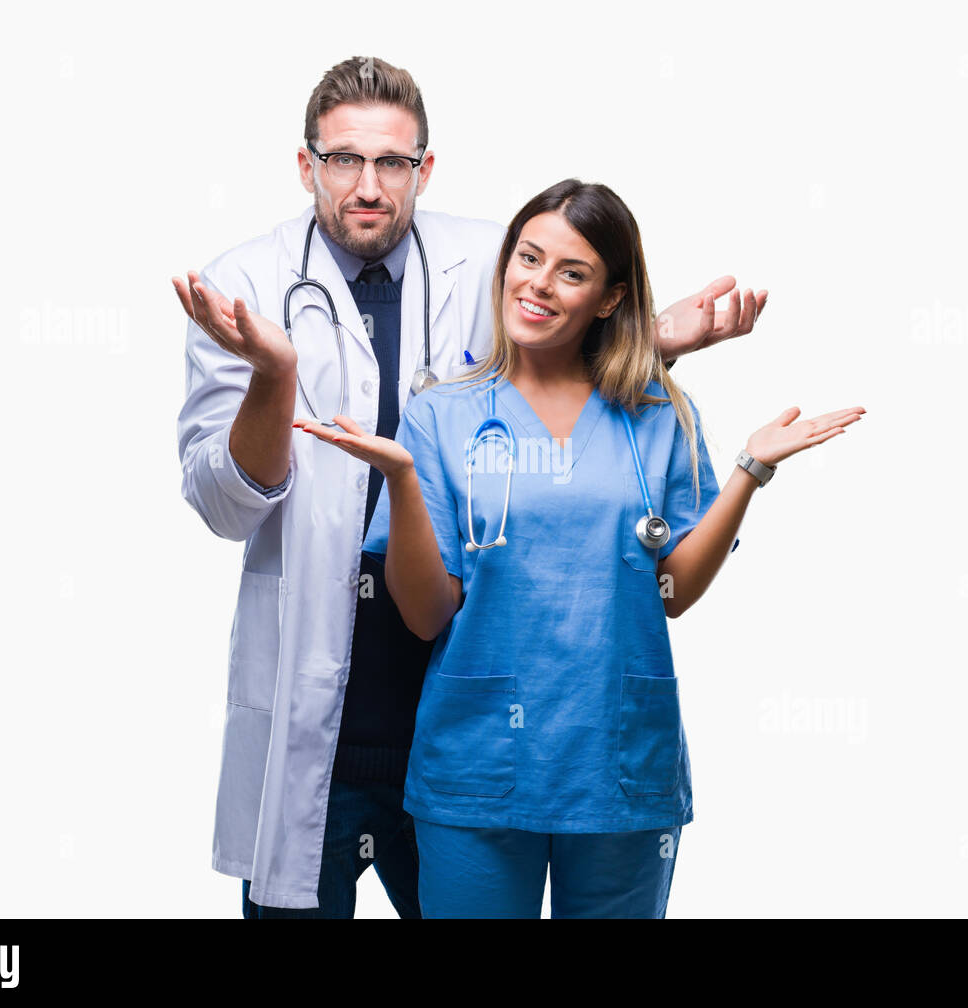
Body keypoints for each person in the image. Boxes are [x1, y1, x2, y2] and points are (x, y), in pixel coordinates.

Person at [173, 57, 770, 915]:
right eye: (344, 159)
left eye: (394, 162)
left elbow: (566, 358)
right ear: (307, 166)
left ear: (426, 168)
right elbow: (225, 505)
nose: (369, 184)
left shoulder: (492, 259)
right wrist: (275, 374)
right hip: (323, 720)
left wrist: (655, 338)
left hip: (470, 717)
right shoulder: (242, 286)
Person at [301, 179, 865, 918]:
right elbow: (425, 616)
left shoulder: (658, 411)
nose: (538, 283)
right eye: (528, 257)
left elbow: (675, 594)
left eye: (571, 272)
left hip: (619, 769)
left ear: (608, 298)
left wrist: (748, 472)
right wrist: (403, 481)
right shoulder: (441, 415)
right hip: (478, 768)